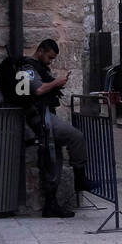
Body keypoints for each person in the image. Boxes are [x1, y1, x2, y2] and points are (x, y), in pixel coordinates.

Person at [16, 38, 87, 219]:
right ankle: (80, 179)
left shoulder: (35, 67)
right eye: (49, 57)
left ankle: (51, 205)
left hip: (46, 117)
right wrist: (57, 82)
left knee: (54, 160)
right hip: (40, 118)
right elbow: (38, 90)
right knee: (75, 137)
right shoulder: (27, 69)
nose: (50, 61)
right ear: (40, 51)